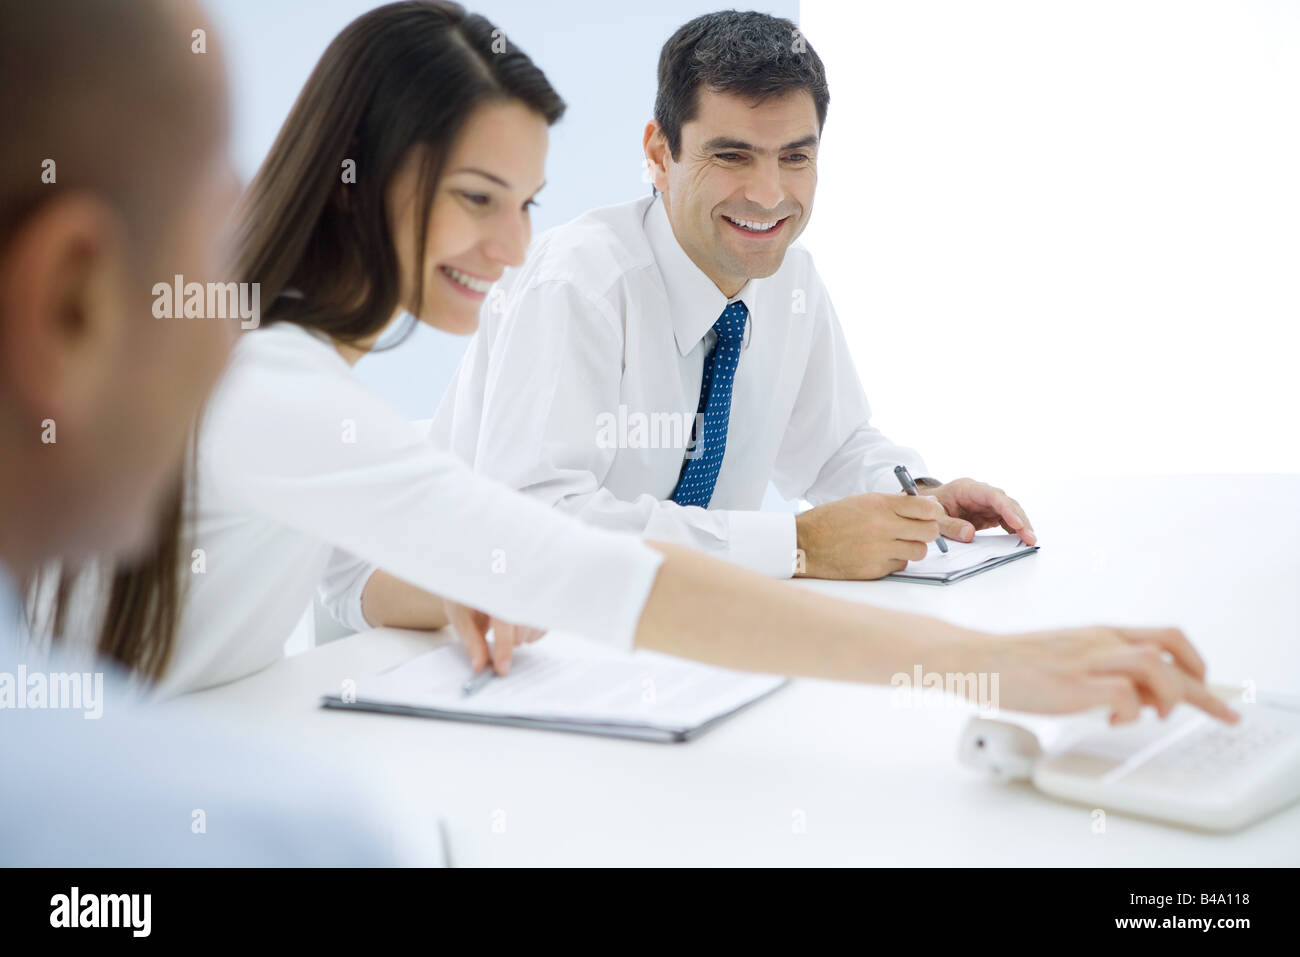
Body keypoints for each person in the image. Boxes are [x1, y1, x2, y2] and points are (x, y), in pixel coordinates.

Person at [44, 1, 1235, 732]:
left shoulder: (304, 381)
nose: (512, 248)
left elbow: (364, 564)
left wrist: (467, 575)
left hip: (222, 737)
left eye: (525, 203)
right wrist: (988, 670)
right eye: (475, 198)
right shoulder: (276, 388)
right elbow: (605, 573)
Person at [0, 0, 429, 865]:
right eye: (205, 256)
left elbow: (353, 557)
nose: (227, 334)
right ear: (70, 305)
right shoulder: (274, 837)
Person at [433, 10, 1036, 582]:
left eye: (795, 157)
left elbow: (831, 453)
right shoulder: (578, 285)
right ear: (658, 155)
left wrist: (919, 498)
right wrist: (797, 547)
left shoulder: (791, 282)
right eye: (731, 155)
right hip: (471, 626)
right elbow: (535, 526)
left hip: (677, 632)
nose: (769, 195)